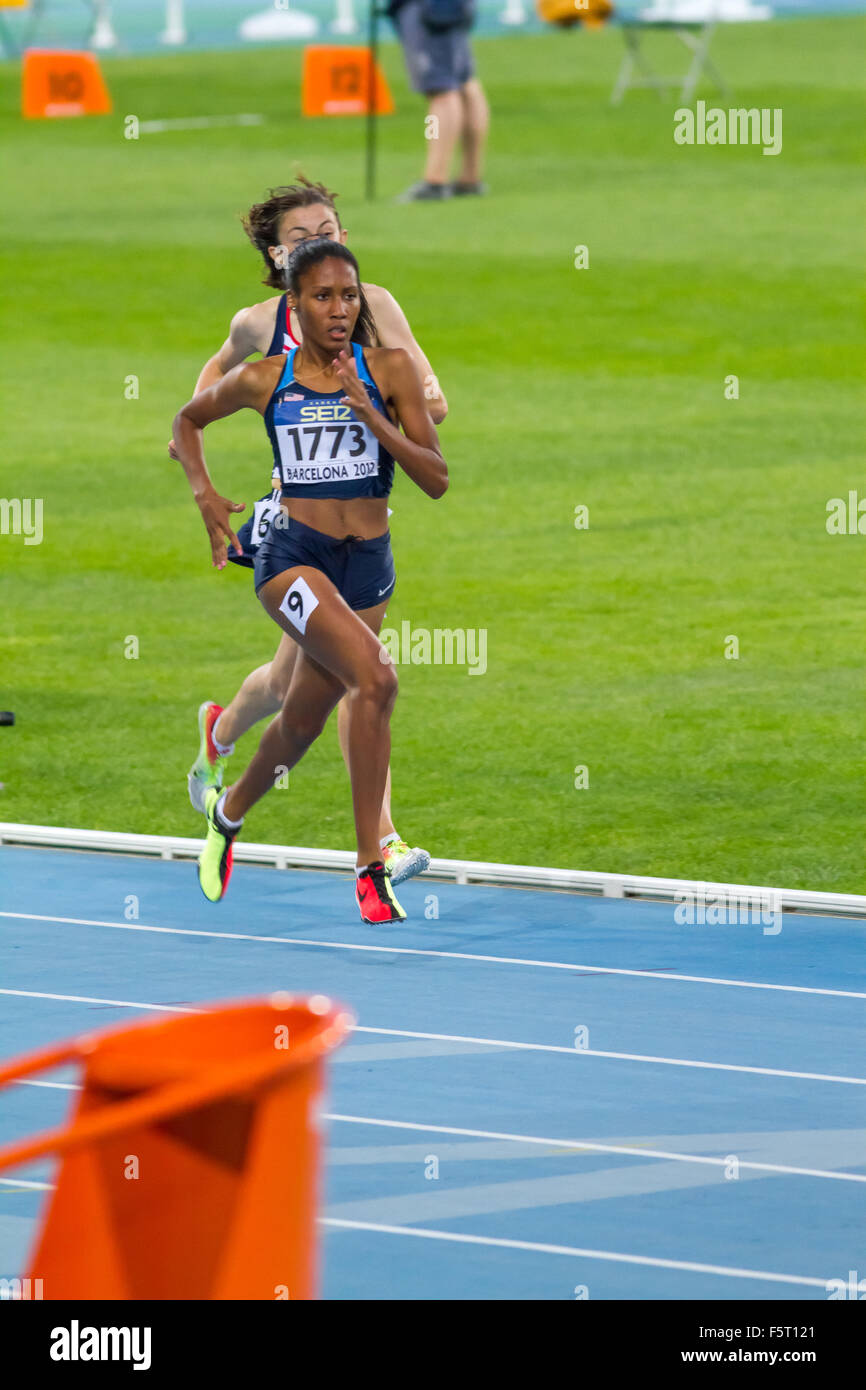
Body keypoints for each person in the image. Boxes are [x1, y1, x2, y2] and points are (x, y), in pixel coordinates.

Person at [175, 178, 448, 883]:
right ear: (278, 256)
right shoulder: (256, 324)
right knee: (362, 672)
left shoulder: (372, 306)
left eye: (331, 229)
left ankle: (222, 730)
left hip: (362, 516)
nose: (323, 244)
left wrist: (407, 401)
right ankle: (382, 841)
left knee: (295, 678)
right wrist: (195, 455)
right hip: (289, 523)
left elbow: (426, 390)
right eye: (304, 238)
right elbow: (208, 390)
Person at [387, 0, 490, 202]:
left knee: (441, 91)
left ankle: (435, 180)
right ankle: (469, 177)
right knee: (464, 83)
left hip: (429, 7)